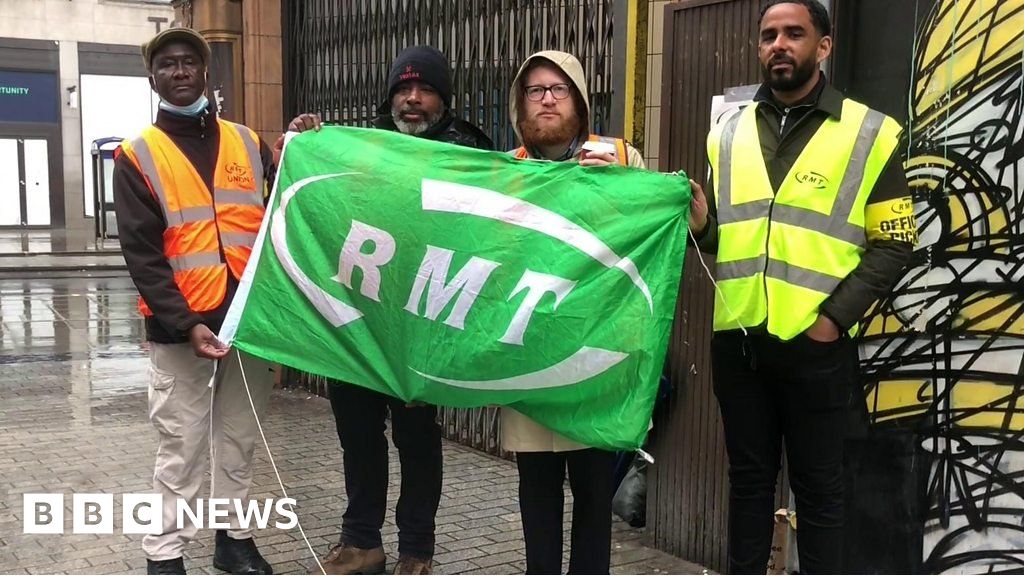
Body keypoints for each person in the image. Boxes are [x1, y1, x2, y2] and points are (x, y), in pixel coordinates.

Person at [690, 1, 917, 572]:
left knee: (819, 493)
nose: (779, 45)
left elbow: (895, 242)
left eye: (795, 33)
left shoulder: (870, 133)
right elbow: (729, 236)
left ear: (824, 46)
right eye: (769, 35)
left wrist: (832, 321)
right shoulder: (726, 132)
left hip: (817, 347)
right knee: (747, 485)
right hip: (739, 341)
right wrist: (703, 226)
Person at [283, 45, 492, 575]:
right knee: (357, 436)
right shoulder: (361, 146)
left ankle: (417, 549)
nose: (413, 99)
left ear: (444, 100)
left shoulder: (471, 153)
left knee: (417, 440)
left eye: (425, 90)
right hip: (359, 320)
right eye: (404, 89)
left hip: (423, 325)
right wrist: (305, 140)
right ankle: (361, 543)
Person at [113, 27, 277, 576]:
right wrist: (185, 323)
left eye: (188, 61)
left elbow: (284, 211)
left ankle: (235, 540)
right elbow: (142, 254)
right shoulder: (138, 155)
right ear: (152, 78)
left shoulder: (248, 143)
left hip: (246, 322)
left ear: (206, 72)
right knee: (180, 445)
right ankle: (165, 554)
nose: (179, 71)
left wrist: (299, 146)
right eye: (167, 64)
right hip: (180, 329)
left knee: (239, 439)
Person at [500, 50, 644, 575]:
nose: (547, 100)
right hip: (530, 358)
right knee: (536, 494)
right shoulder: (506, 171)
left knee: (593, 496)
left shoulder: (619, 157)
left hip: (595, 359)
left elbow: (652, 231)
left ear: (579, 100)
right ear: (521, 104)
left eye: (558, 89)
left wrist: (619, 187)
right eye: (535, 90)